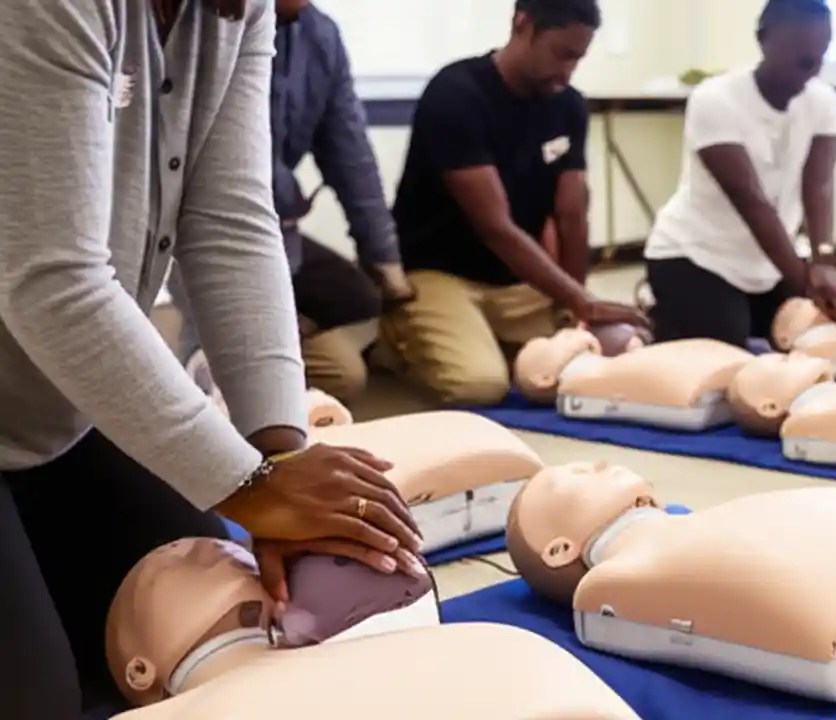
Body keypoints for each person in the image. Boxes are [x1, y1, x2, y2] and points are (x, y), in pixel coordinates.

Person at [0, 1, 424, 718]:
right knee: (36, 699)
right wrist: (246, 484)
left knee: (211, 619)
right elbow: (54, 283)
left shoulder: (237, 10)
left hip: (55, 410)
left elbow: (231, 219)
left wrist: (279, 458)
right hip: (34, 358)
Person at [385, 0, 649, 407]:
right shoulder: (456, 94)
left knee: (616, 344)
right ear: (521, 25)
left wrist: (576, 308)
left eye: (577, 59)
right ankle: (395, 336)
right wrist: (581, 301)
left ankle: (495, 340)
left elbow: (571, 215)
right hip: (440, 274)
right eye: (560, 54)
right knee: (479, 386)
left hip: (515, 284)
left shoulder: (568, 105)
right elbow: (495, 226)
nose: (567, 72)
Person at [172, 0, 415, 402]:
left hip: (278, 227)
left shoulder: (321, 36)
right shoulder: (205, 22)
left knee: (361, 303)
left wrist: (386, 260)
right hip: (197, 223)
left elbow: (351, 157)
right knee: (220, 367)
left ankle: (281, 344)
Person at [642, 0, 836, 350]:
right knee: (724, 356)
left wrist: (824, 263)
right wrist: (807, 284)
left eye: (820, 55)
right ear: (764, 40)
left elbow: (819, 186)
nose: (812, 67)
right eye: (801, 56)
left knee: (824, 337)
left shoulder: (822, 101)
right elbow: (752, 202)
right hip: (696, 257)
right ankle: (661, 311)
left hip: (769, 265)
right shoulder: (715, 100)